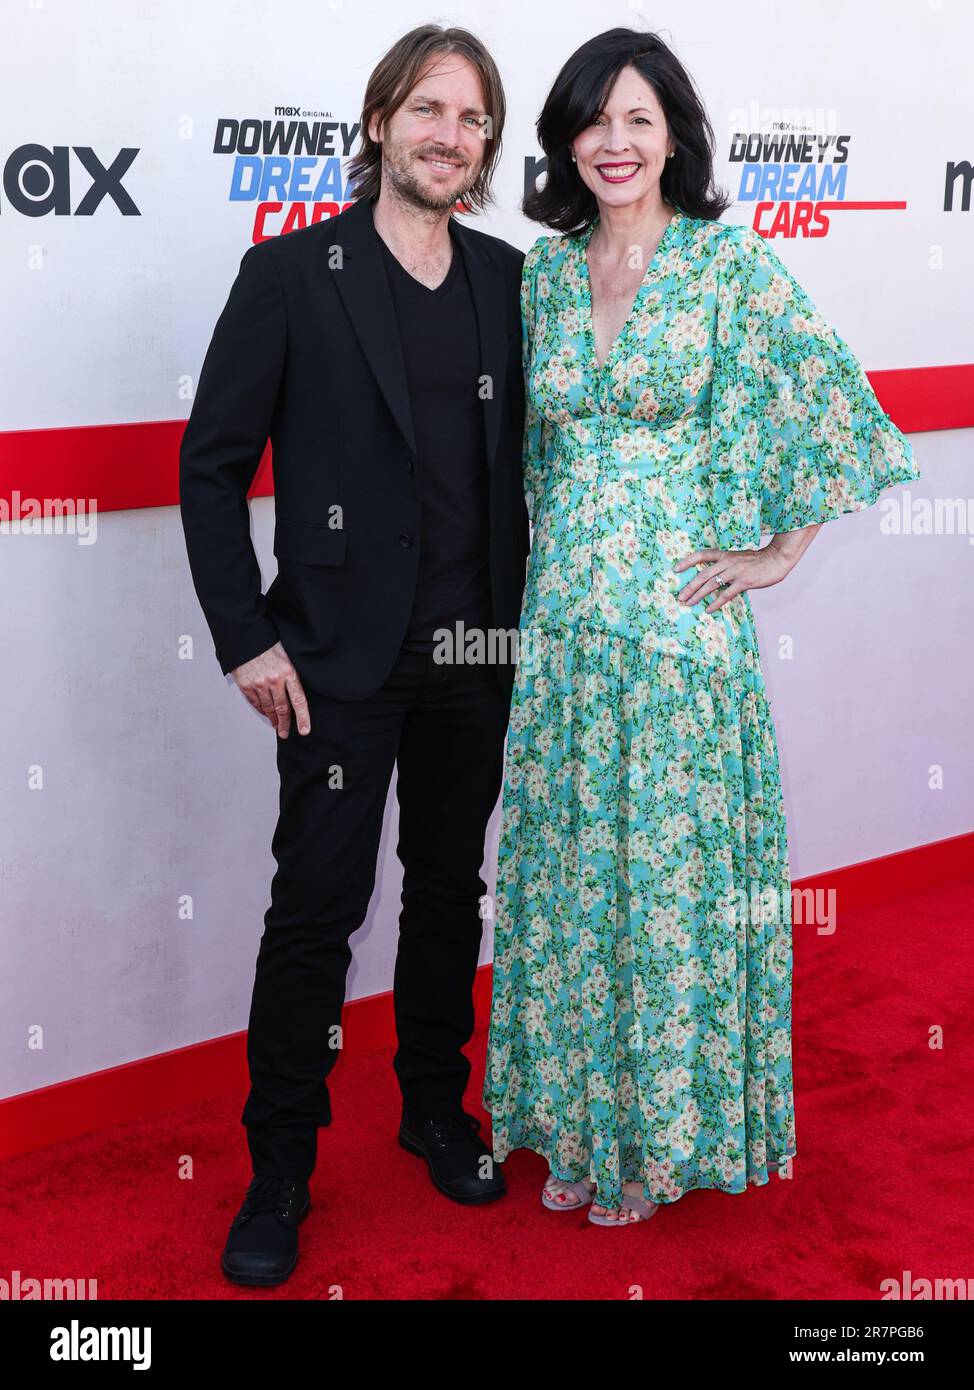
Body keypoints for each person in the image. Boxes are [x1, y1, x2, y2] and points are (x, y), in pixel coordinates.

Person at [482, 27, 921, 1226]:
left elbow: (838, 406)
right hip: (565, 639)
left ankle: (654, 1145)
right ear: (564, 140)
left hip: (680, 643)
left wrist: (776, 554)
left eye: (636, 119)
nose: (612, 143)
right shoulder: (539, 273)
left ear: (673, 131)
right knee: (575, 886)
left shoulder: (730, 269)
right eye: (591, 121)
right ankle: (577, 1123)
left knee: (664, 895)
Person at [179, 24, 528, 1285]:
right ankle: (279, 1165)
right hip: (333, 661)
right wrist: (246, 637)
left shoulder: (507, 280)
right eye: (429, 110)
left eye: (474, 118)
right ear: (380, 120)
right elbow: (210, 468)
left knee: (449, 890)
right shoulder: (288, 275)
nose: (451, 136)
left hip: (476, 649)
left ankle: (436, 1104)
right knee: (316, 912)